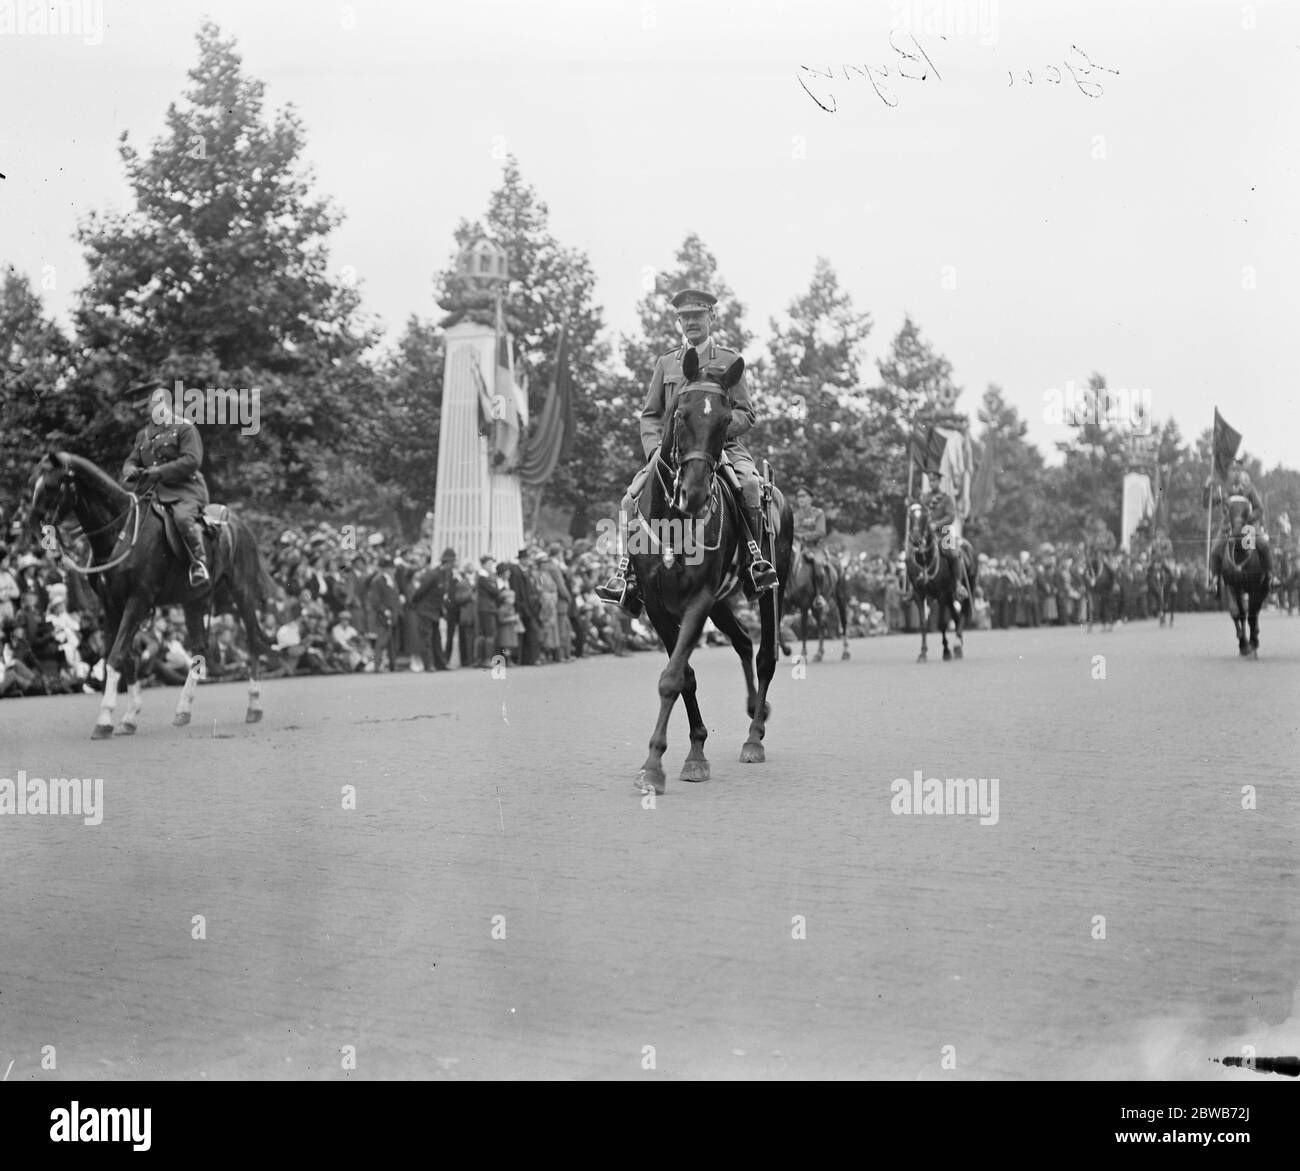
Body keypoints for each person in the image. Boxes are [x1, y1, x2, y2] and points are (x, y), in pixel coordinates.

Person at [597, 288, 778, 614]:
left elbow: (746, 412)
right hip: (672, 455)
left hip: (721, 447)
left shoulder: (729, 361)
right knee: (629, 498)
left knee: (749, 485)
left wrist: (712, 432)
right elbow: (651, 414)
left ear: (712, 317)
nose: (691, 322)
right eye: (685, 317)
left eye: (697, 315)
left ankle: (754, 562)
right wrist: (654, 451)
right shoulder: (667, 363)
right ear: (679, 321)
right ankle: (628, 574)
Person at [122, 383, 211, 587]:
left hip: (184, 491)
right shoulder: (143, 435)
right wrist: (129, 469)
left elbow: (192, 460)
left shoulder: (184, 428)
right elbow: (132, 459)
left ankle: (199, 562)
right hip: (151, 493)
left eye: (148, 407)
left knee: (182, 519)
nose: (145, 413)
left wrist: (160, 472)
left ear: (161, 403)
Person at [1204, 458, 1272, 588]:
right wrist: (1207, 487)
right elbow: (1207, 504)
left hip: (1248, 528)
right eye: (1232, 470)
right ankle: (1214, 581)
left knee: (1264, 545)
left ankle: (1270, 577)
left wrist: (1248, 519)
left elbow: (1259, 509)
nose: (1235, 473)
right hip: (1227, 528)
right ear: (1228, 472)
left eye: (1238, 470)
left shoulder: (1249, 489)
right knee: (1214, 550)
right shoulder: (1222, 490)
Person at [924, 483, 969, 601]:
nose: (932, 483)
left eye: (934, 480)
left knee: (953, 553)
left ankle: (958, 585)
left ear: (939, 481)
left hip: (943, 531)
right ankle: (911, 586)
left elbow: (950, 516)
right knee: (915, 550)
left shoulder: (946, 499)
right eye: (930, 480)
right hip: (926, 534)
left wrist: (937, 524)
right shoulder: (924, 498)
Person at [792, 486, 829, 607]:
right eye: (798, 496)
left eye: (803, 496)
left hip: (815, 548)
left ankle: (819, 595)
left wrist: (804, 536)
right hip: (797, 547)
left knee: (818, 565)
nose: (800, 499)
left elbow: (821, 532)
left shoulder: (818, 513)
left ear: (810, 498)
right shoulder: (794, 515)